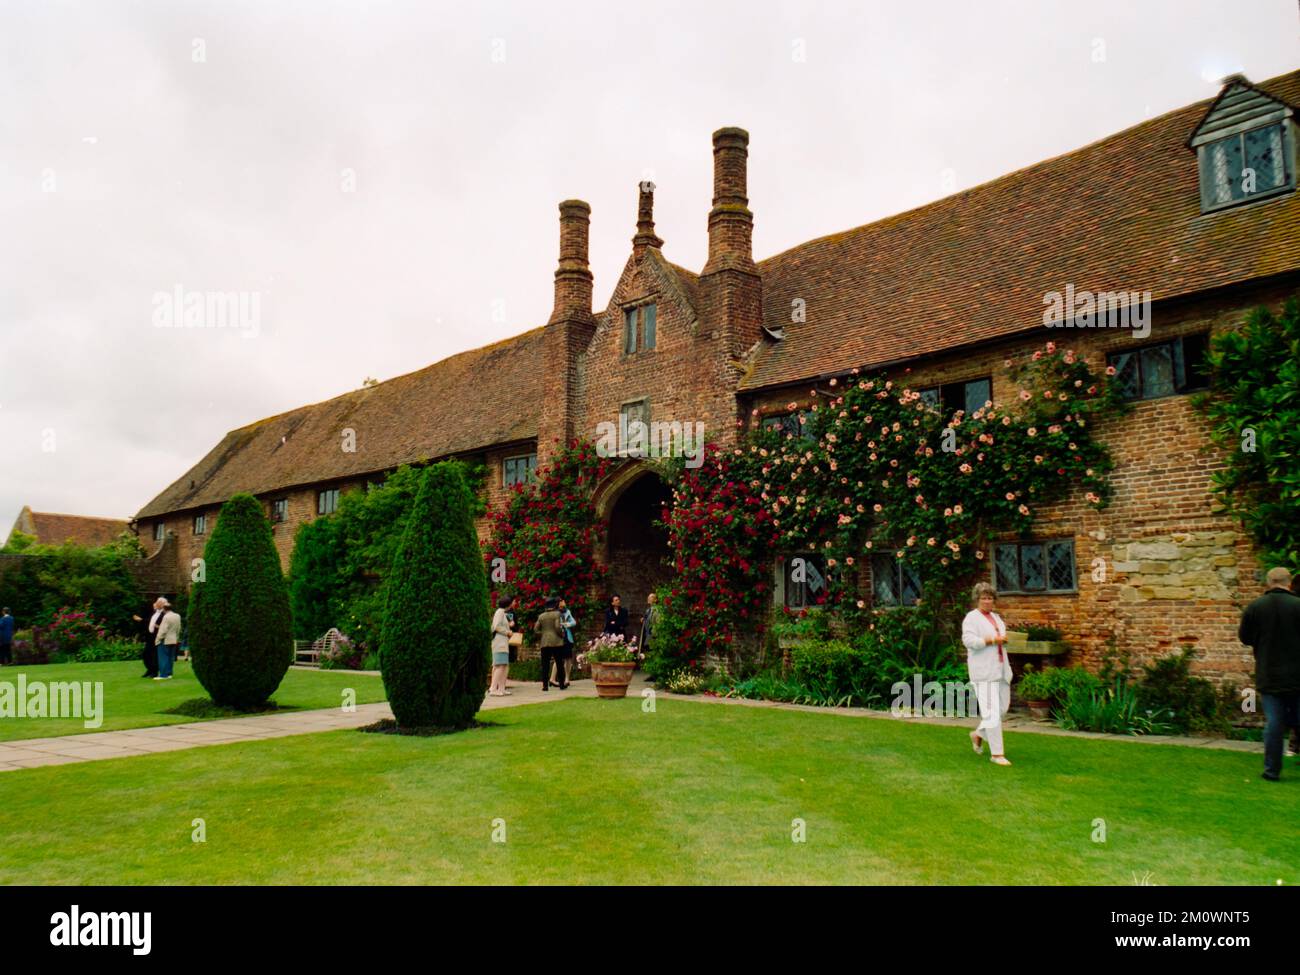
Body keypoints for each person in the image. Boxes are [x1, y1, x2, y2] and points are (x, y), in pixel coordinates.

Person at [1238, 566, 1300, 781]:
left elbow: (1245, 638)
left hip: (1268, 672)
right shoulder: (1298, 606)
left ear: (1268, 583)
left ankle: (1271, 770)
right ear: (1289, 583)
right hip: (1297, 673)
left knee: (1274, 723)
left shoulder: (1255, 607)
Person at [961, 582, 1013, 766]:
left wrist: (1003, 640)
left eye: (990, 598)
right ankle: (997, 754)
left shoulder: (997, 618)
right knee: (991, 713)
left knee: (1002, 709)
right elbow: (968, 641)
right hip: (983, 671)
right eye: (983, 598)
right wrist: (991, 640)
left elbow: (1001, 640)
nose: (987, 601)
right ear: (977, 599)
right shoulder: (971, 618)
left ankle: (978, 734)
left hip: (1000, 669)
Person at [534, 596, 567, 691]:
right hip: (556, 641)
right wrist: (562, 634)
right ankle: (561, 684)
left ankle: (545, 686)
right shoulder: (557, 614)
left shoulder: (541, 616)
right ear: (554, 605)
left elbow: (535, 630)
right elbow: (557, 627)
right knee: (559, 663)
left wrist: (543, 634)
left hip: (545, 642)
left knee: (545, 664)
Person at [488, 595, 513, 697]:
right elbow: (496, 626)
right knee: (500, 665)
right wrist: (507, 632)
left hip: (502, 643)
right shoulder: (499, 612)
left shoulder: (502, 613)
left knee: (504, 666)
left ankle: (501, 688)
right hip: (499, 643)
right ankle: (494, 688)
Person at [153, 599, 182, 680]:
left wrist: (158, 639)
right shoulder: (177, 616)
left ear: (164, 609)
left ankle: (163, 675)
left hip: (165, 640)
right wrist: (177, 637)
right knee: (170, 657)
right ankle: (169, 673)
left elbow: (163, 630)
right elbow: (179, 628)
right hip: (174, 639)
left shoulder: (166, 617)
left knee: (163, 657)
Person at [144, 596, 166, 678]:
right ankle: (149, 669)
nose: (156, 603)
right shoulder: (154, 613)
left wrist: (159, 627)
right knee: (146, 654)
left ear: (162, 604)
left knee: (155, 655)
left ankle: (154, 671)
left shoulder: (164, 614)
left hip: (157, 636)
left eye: (158, 602)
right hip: (150, 635)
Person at [558, 598, 577, 681]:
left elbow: (574, 622)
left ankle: (567, 678)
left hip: (567, 637)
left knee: (568, 658)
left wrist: (567, 624)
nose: (564, 602)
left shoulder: (567, 612)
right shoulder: (555, 612)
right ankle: (555, 678)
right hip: (558, 637)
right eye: (562, 601)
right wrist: (560, 625)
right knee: (558, 659)